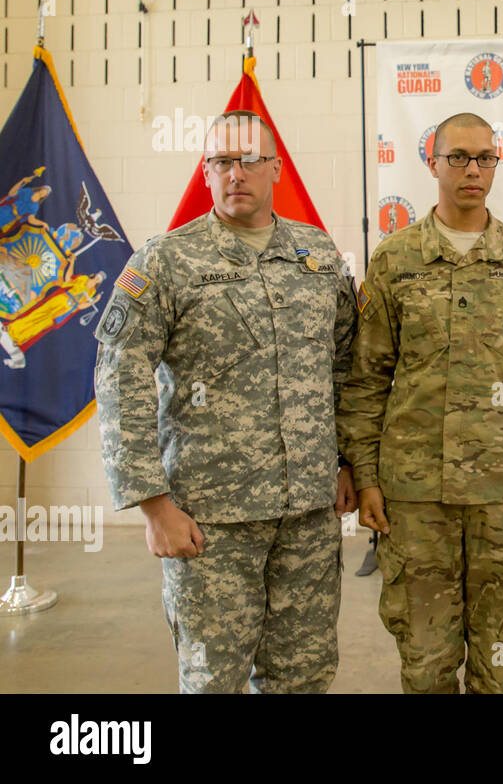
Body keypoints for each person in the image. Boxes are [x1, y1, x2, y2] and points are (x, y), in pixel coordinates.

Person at [94, 110, 358, 693]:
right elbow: (121, 375)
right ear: (206, 171)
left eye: (249, 161)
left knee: (305, 676)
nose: (235, 173)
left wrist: (348, 464)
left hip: (309, 518)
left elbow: (346, 363)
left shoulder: (317, 256)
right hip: (211, 522)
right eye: (221, 161)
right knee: (214, 679)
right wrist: (152, 505)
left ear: (276, 169)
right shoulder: (165, 261)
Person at [338, 111, 503, 694]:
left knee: (501, 656)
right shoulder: (394, 261)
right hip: (415, 497)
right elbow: (366, 380)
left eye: (484, 157)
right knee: (426, 659)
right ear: (432, 163)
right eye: (458, 157)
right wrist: (364, 476)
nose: (472, 169)